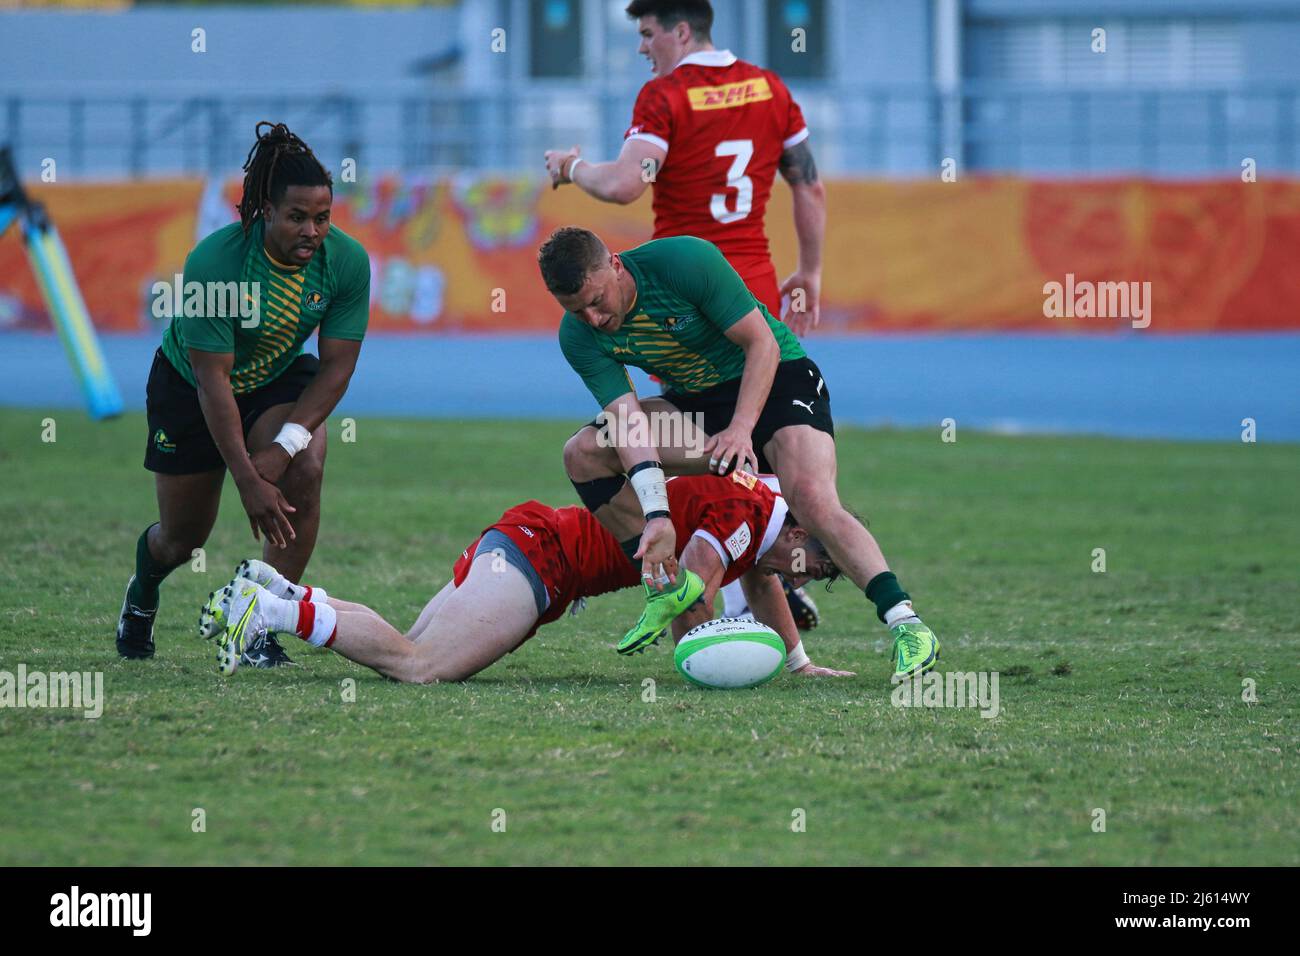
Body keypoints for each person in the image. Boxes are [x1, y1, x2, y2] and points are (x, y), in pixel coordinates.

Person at [539, 226, 940, 677]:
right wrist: (657, 516)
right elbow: (628, 421)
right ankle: (667, 584)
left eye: (596, 301)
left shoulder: (683, 261)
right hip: (699, 405)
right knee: (585, 452)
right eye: (577, 310)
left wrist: (741, 430)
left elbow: (761, 343)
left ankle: (906, 624)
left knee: (810, 500)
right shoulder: (577, 335)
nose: (592, 319)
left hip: (778, 379)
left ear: (614, 264)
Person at [114, 122, 370, 667]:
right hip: (192, 388)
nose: (312, 231)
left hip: (277, 378)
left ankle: (260, 623)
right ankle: (142, 590)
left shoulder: (346, 262)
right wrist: (247, 477)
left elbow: (337, 367)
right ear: (264, 211)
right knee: (182, 542)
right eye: (296, 217)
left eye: (322, 218)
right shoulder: (216, 263)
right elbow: (213, 381)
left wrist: (280, 452)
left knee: (306, 463)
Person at [198, 472, 854, 683]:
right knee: (420, 668)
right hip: (540, 559)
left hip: (532, 549)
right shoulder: (749, 515)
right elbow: (693, 596)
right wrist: (719, 662)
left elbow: (762, 583)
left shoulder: (760, 521)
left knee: (406, 653)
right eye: (819, 568)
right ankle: (274, 613)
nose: (808, 579)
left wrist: (797, 661)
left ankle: (279, 590)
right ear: (798, 534)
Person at [544, 0, 825, 335]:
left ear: (681, 32)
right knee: (757, 383)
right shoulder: (771, 89)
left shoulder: (665, 97)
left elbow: (626, 184)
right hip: (752, 287)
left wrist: (571, 166)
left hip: (683, 291)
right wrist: (809, 272)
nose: (641, 48)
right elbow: (809, 187)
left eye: (648, 35)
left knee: (685, 389)